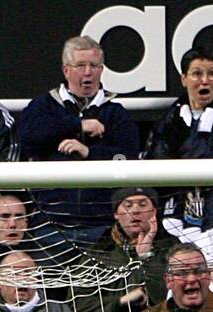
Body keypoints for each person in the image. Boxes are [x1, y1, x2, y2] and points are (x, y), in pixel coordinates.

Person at [17, 35, 141, 242]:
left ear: (102, 69)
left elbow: (128, 157)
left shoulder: (116, 113)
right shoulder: (43, 106)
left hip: (102, 227)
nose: (88, 72)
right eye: (80, 65)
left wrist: (89, 153)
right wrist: (77, 125)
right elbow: (27, 136)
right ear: (66, 70)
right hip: (50, 226)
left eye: (94, 65)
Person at [144, 48, 213, 235]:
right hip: (172, 211)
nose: (205, 80)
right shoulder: (169, 118)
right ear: (184, 79)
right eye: (197, 74)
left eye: (211, 74)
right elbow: (154, 164)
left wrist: (183, 143)